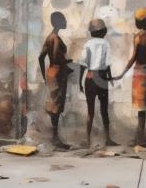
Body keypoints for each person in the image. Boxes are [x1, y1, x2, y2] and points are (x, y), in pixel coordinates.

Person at [114, 8, 146, 146]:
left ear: (140, 21)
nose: (135, 22)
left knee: (141, 109)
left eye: (137, 20)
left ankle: (140, 138)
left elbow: (133, 58)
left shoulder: (138, 37)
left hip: (140, 74)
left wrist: (122, 73)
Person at [79, 18, 116, 147]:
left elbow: (83, 64)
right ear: (103, 31)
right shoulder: (105, 44)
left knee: (90, 112)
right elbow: (107, 64)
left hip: (89, 78)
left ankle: (88, 140)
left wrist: (80, 82)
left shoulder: (88, 44)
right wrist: (110, 78)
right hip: (102, 78)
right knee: (104, 111)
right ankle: (108, 139)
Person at [39, 11, 72, 149]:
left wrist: (43, 74)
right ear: (58, 22)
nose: (66, 22)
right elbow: (57, 57)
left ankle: (54, 137)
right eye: (63, 19)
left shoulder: (49, 37)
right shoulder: (56, 39)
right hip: (58, 73)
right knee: (56, 106)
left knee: (53, 104)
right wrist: (67, 63)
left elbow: (41, 57)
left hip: (51, 72)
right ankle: (55, 138)